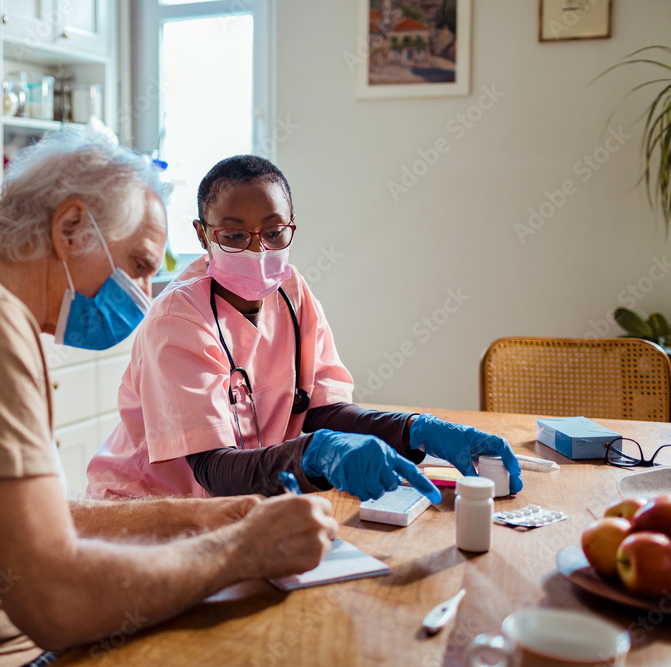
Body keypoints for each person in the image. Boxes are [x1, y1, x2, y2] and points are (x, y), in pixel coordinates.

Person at [0, 130, 339, 667]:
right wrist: (241, 551)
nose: (144, 295)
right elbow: (55, 601)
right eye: (138, 265)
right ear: (71, 228)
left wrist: (197, 519)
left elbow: (31, 520)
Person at [86, 155, 523, 501]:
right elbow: (214, 468)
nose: (259, 250)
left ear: (291, 227)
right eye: (235, 236)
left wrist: (415, 429)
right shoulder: (177, 320)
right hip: (148, 508)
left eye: (274, 232)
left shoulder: (292, 293)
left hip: (237, 499)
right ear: (203, 235)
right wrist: (313, 455)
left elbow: (320, 410)